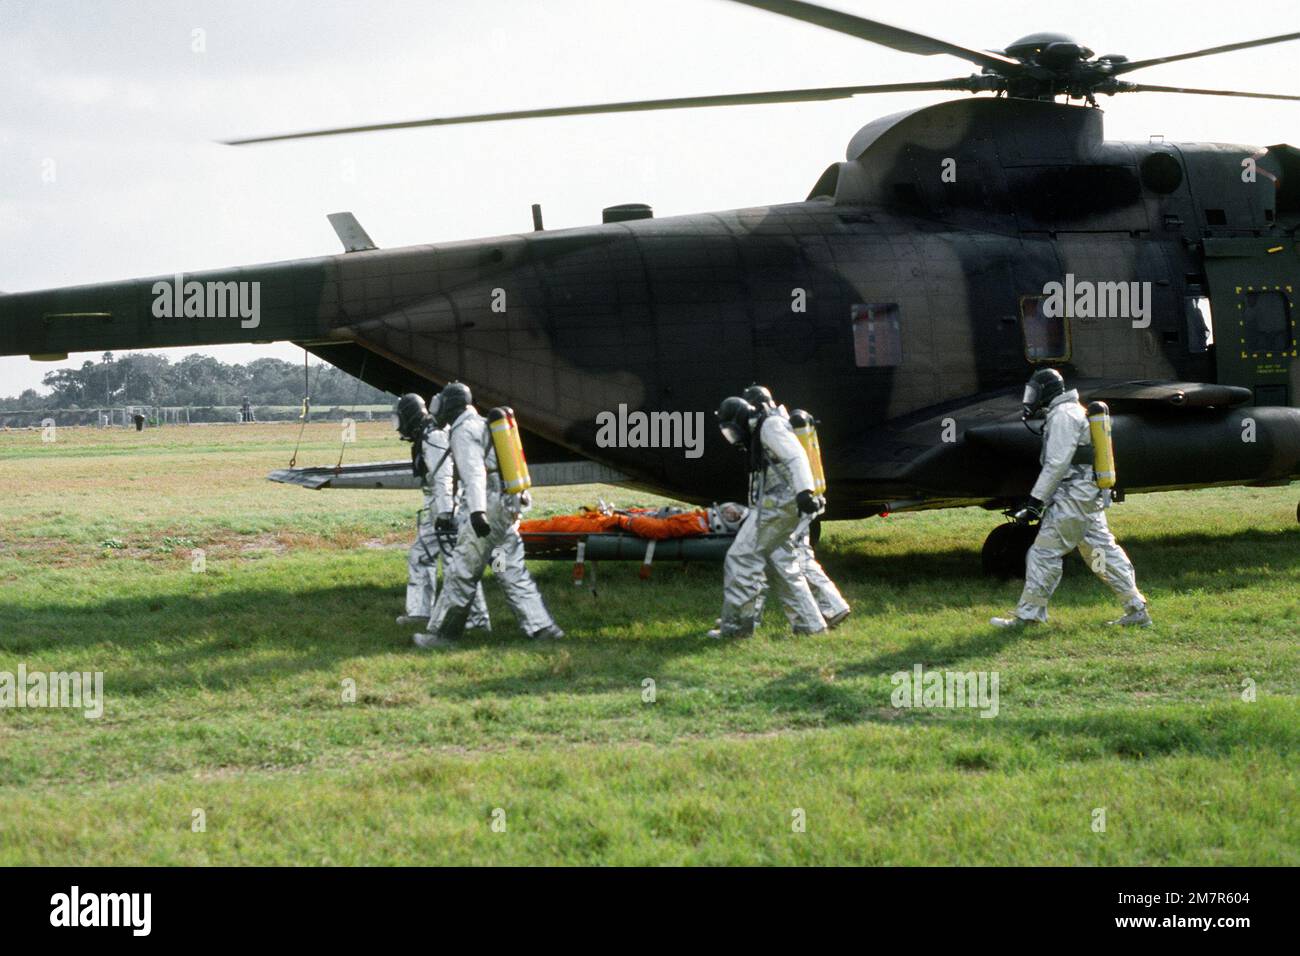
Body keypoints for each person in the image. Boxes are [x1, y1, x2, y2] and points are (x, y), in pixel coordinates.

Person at [991, 368, 1151, 629]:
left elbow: (1056, 463)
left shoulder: (1063, 415)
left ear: (1047, 392)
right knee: (1102, 554)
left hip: (1073, 497)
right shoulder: (1071, 411)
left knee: (1043, 553)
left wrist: (1035, 502)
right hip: (1086, 496)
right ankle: (1136, 609)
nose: (1030, 399)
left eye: (1035, 392)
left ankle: (1029, 616)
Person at [415, 383, 564, 647]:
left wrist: (477, 512)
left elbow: (474, 473)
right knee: (508, 568)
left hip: (488, 505)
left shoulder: (462, 430)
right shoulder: (481, 423)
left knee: (461, 568)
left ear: (450, 405)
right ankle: (542, 628)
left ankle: (443, 635)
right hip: (508, 503)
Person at [709, 393, 826, 638]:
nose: (732, 438)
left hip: (777, 508)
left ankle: (736, 628)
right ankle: (810, 625)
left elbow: (796, 457)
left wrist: (805, 491)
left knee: (741, 558)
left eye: (731, 431)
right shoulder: (764, 428)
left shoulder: (770, 426)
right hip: (780, 507)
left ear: (741, 419)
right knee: (782, 566)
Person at [393, 393, 489, 632]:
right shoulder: (425, 435)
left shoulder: (433, 436)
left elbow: (444, 475)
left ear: (409, 417)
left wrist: (445, 513)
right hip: (435, 507)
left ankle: (477, 620)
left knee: (455, 565)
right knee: (420, 556)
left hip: (447, 509)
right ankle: (419, 612)